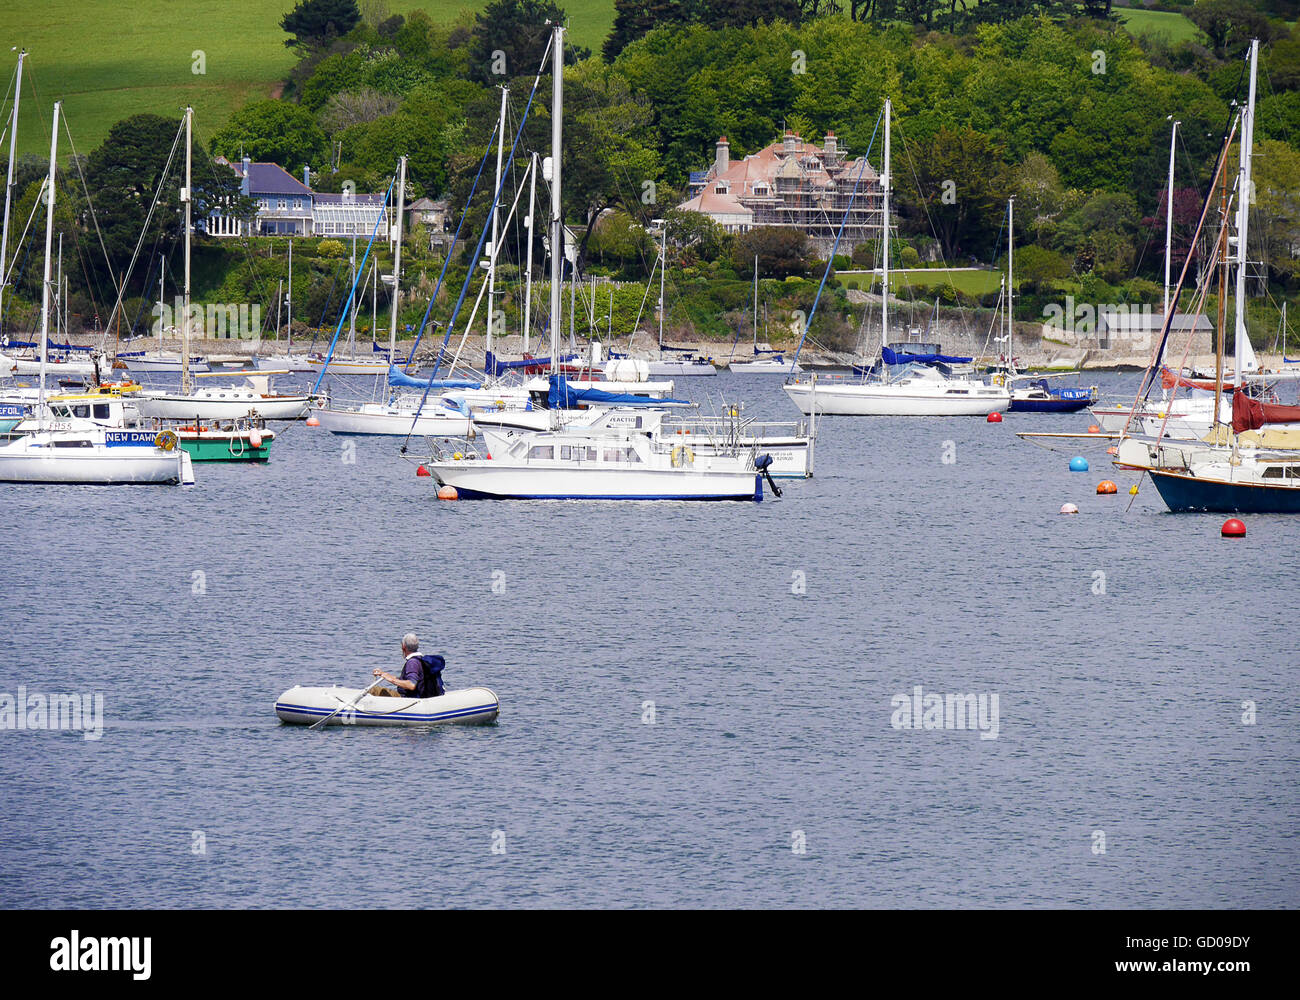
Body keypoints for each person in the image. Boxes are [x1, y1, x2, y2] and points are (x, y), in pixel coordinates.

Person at [369, 633, 443, 698]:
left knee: (374, 690)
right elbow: (412, 679)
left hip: (407, 699)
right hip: (419, 696)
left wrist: (391, 680)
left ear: (403, 647)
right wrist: (384, 674)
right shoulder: (420, 660)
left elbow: (411, 685)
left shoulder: (412, 663)